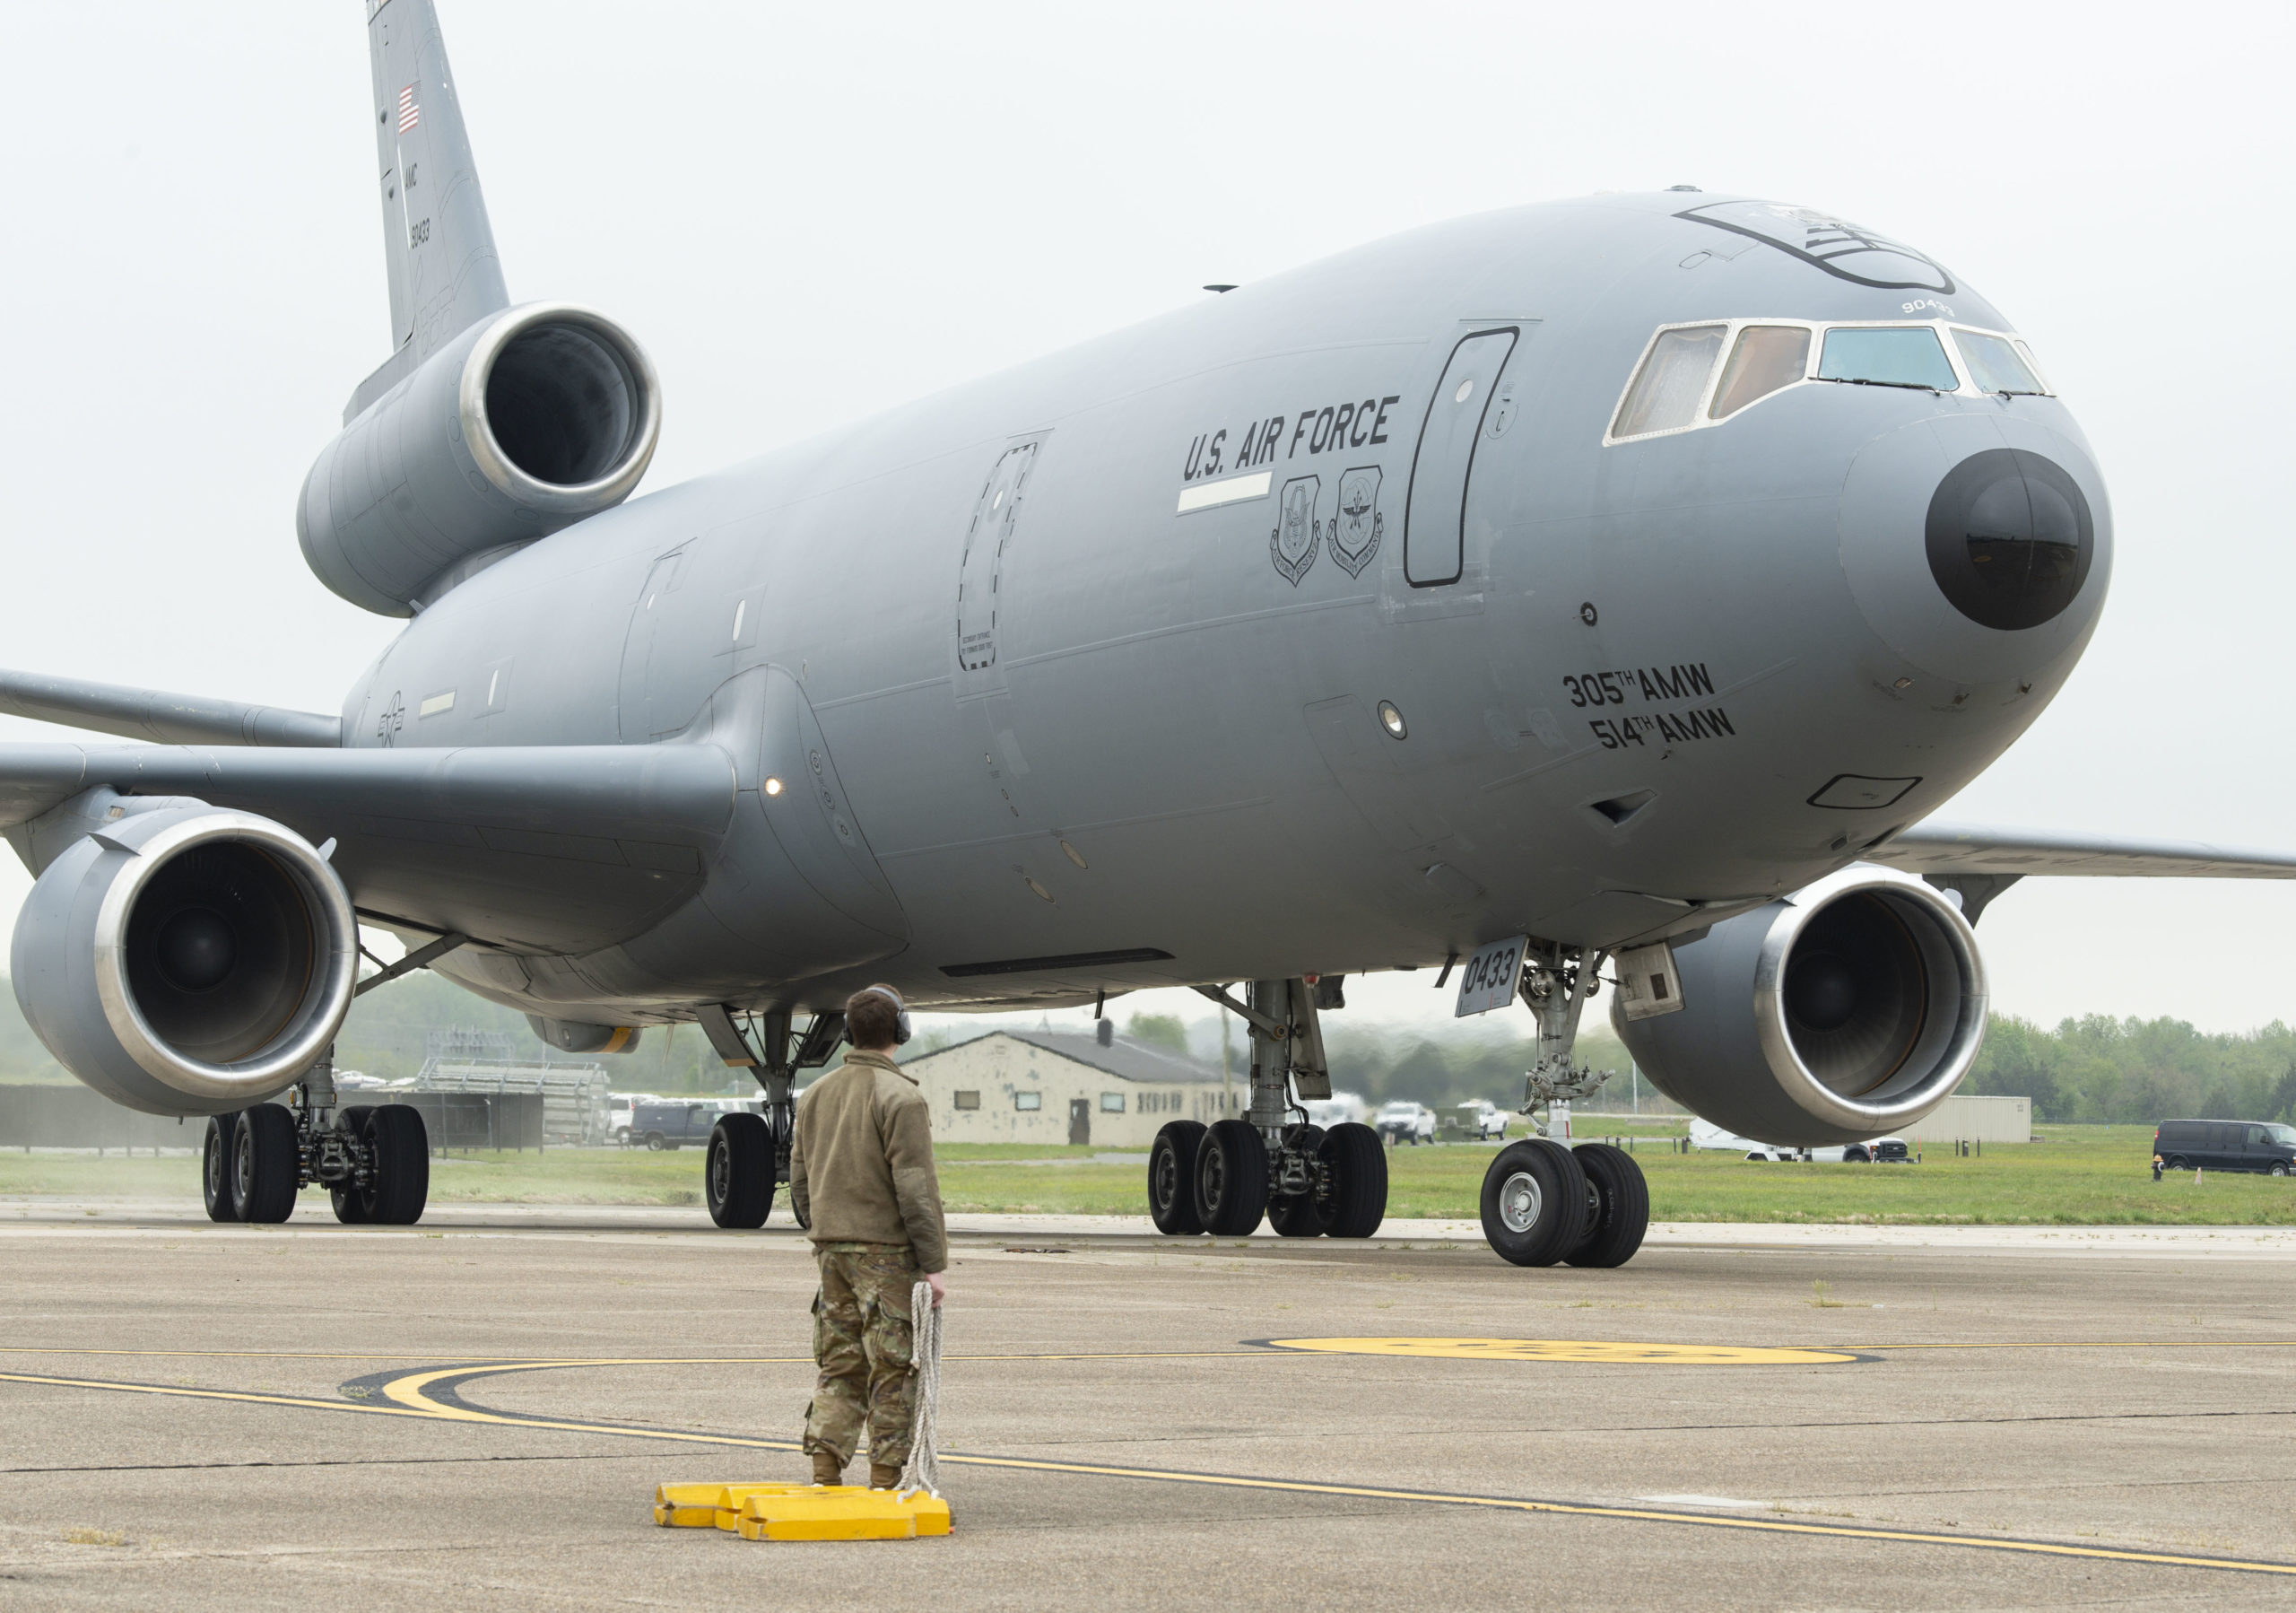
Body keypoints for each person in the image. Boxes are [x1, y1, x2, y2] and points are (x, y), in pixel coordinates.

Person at [788, 983, 947, 1490]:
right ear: (900, 1031)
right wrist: (933, 1264)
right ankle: (884, 1477)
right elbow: (915, 1191)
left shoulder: (815, 1095)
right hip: (887, 1257)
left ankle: (824, 1470)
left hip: (830, 1251)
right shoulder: (902, 1098)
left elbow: (799, 1180)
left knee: (840, 1364)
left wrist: (826, 1229)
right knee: (893, 1368)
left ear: (848, 1034)